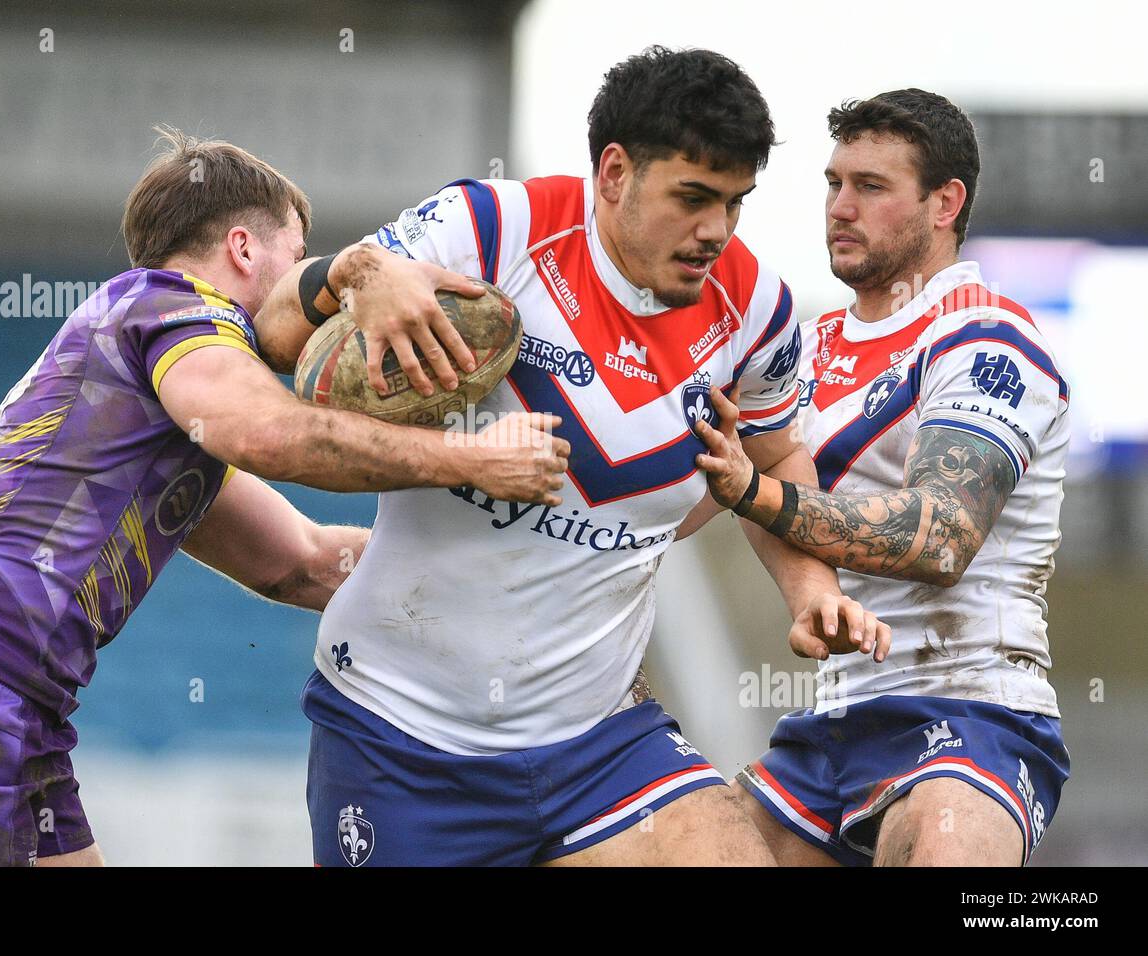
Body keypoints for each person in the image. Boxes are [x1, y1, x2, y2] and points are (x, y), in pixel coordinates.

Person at [0, 128, 568, 867]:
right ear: (243, 249)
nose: (309, 300)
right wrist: (467, 457)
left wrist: (521, 571)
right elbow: (269, 431)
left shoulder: (154, 412)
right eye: (295, 257)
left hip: (2, 704)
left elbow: (303, 563)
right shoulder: (164, 303)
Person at [257, 46, 890, 867]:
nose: (716, 232)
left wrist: (810, 590)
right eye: (693, 198)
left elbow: (775, 458)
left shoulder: (756, 311)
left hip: (598, 747)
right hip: (399, 739)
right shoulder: (490, 229)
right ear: (616, 172)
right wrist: (350, 274)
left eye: (735, 203)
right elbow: (275, 332)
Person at [692, 90, 1070, 866]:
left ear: (945, 203)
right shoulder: (801, 343)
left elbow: (939, 537)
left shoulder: (985, 333)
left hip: (973, 715)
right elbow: (720, 491)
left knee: (944, 848)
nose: (840, 207)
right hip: (830, 726)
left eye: (871, 187)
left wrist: (756, 493)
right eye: (833, 184)